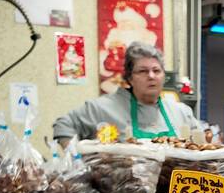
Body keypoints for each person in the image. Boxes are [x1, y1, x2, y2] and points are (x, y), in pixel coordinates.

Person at [53, 42, 199, 143]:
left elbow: (203, 140)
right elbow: (63, 125)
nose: (151, 76)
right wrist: (77, 160)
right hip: (121, 186)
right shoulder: (103, 108)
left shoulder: (181, 112)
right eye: (142, 71)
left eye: (156, 70)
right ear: (130, 78)